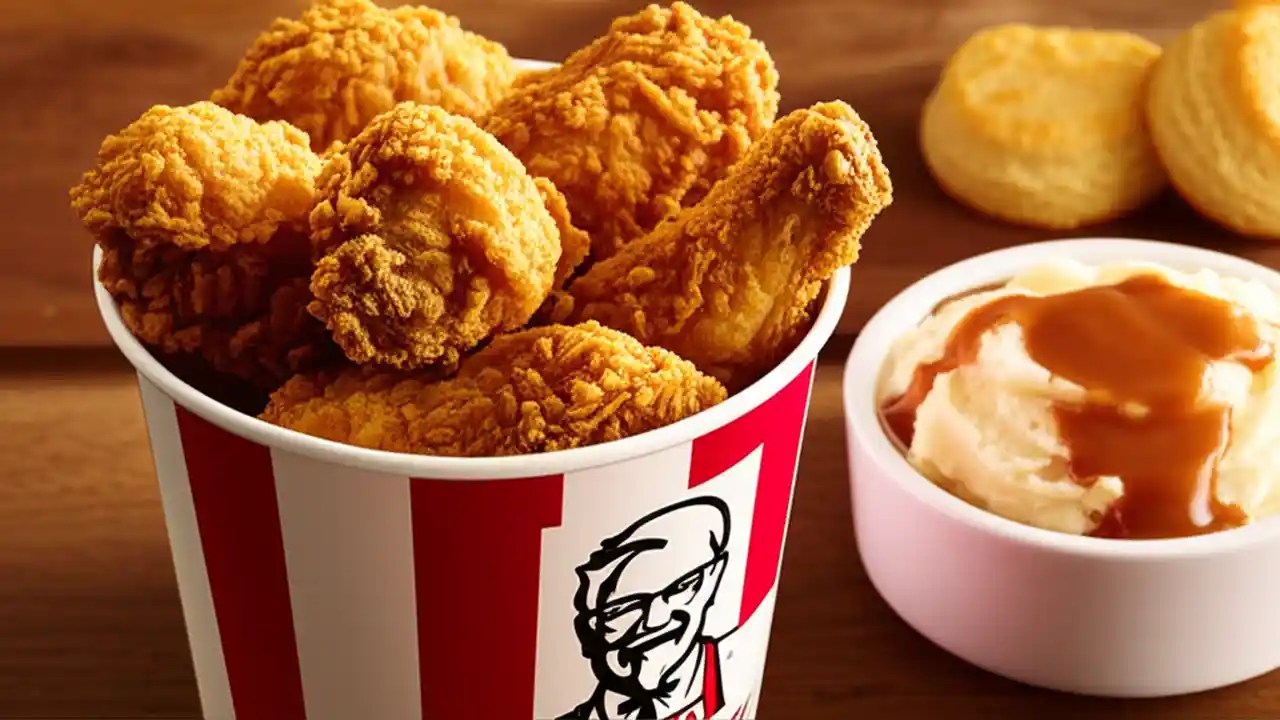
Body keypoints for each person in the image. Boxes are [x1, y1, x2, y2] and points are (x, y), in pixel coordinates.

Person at [561, 497, 733, 720]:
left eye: (680, 587)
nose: (655, 619)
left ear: (713, 577)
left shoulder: (737, 665)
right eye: (620, 610)